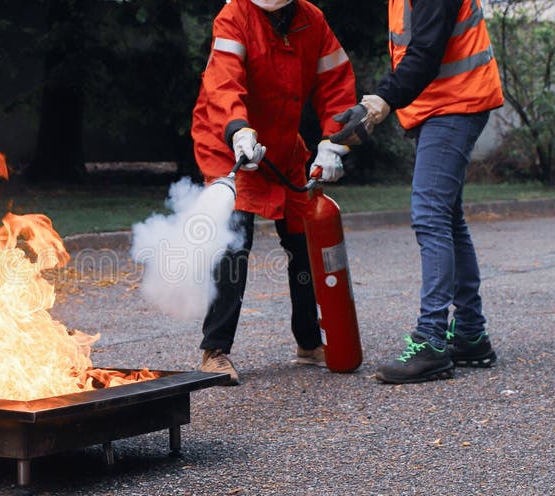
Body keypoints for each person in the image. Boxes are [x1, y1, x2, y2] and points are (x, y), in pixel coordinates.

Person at [331, 0, 502, 383]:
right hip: (445, 104)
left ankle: (431, 341)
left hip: (456, 103)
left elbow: (425, 51)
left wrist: (383, 100)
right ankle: (470, 334)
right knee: (447, 216)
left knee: (430, 215)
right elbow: (414, 52)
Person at [191, 0, 357, 385]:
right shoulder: (234, 16)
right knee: (234, 243)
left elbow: (336, 84)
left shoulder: (312, 20)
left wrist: (334, 143)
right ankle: (215, 350)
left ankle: (309, 342)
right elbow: (223, 83)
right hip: (228, 143)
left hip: (282, 148)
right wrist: (238, 131)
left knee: (305, 241)